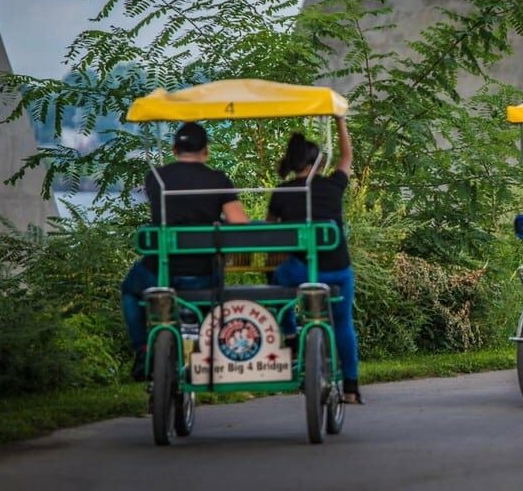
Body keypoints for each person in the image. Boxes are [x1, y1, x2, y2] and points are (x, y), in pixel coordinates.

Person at [120, 122, 250, 380]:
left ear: (174, 148)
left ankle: (144, 349)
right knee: (207, 297)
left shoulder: (156, 178)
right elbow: (240, 224)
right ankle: (202, 352)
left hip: (159, 271)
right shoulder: (218, 180)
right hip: (202, 273)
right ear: (206, 151)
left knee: (129, 290)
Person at [267, 116, 362, 405]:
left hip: (301, 271)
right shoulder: (333, 185)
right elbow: (347, 156)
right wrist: (341, 122)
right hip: (337, 270)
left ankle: (291, 336)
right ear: (320, 163)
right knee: (343, 322)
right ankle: (351, 387)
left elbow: (269, 232)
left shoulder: (281, 193)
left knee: (275, 286)